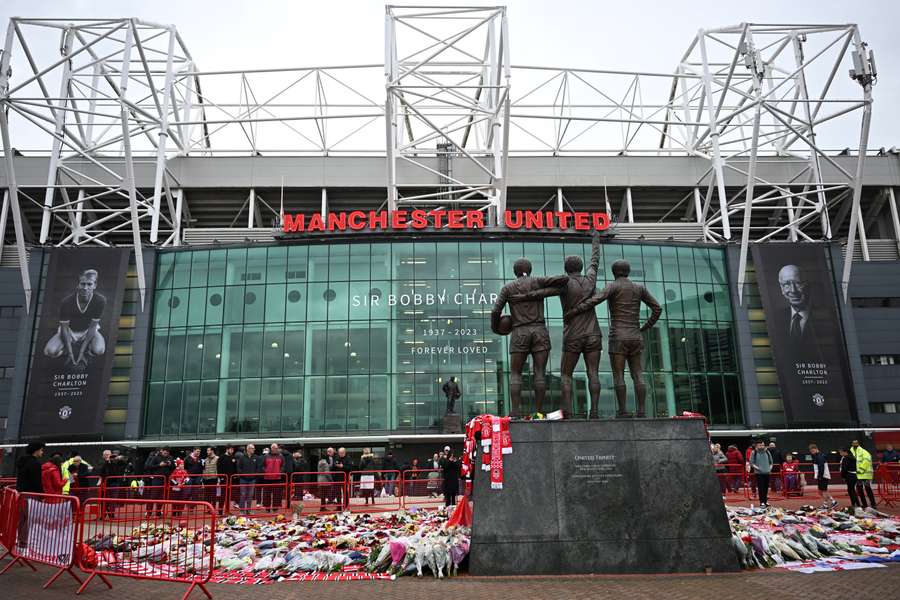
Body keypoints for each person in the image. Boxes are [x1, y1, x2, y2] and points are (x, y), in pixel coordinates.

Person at [512, 232, 603, 417]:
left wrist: (523, 296)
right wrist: (596, 239)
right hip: (594, 333)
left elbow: (542, 293)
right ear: (581, 267)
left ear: (566, 268)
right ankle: (594, 412)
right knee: (593, 372)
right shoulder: (590, 279)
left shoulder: (565, 284)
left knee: (566, 374)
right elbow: (595, 261)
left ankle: (567, 412)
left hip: (573, 334)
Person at [563, 259, 662, 417]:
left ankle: (622, 410)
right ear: (628, 271)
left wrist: (575, 310)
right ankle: (642, 410)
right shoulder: (639, 288)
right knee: (638, 374)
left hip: (618, 336)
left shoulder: (613, 286)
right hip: (635, 335)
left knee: (619, 375)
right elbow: (657, 308)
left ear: (614, 272)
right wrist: (646, 326)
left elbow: (595, 300)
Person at [491, 257, 569, 417]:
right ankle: (539, 411)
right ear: (530, 270)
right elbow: (563, 279)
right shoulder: (538, 281)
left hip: (519, 332)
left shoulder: (508, 288)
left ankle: (515, 411)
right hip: (539, 330)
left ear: (515, 272)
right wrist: (536, 293)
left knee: (515, 373)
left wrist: (496, 328)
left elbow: (495, 311)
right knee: (540, 372)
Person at [43, 269, 107, 366]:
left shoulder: (100, 300)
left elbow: (92, 327)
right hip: (70, 330)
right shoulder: (67, 302)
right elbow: (64, 329)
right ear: (78, 285)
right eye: (83, 284)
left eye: (89, 284)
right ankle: (65, 349)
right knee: (49, 351)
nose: (85, 288)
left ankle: (87, 348)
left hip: (87, 330)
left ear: (95, 285)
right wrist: (70, 353)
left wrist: (81, 353)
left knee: (99, 350)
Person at [143, 447, 172, 517]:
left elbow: (173, 467)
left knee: (162, 497)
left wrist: (170, 464)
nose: (166, 454)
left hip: (166, 480)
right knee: (153, 496)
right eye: (165, 452)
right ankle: (148, 512)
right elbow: (149, 466)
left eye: (167, 453)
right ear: (162, 451)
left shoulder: (170, 458)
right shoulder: (155, 458)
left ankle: (158, 512)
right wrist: (159, 465)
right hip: (156, 480)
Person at [851, 440, 876, 509]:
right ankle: (865, 505)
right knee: (860, 490)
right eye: (853, 443)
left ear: (858, 444)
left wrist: (861, 470)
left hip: (865, 474)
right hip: (858, 475)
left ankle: (873, 504)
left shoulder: (864, 452)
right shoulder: (851, 452)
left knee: (868, 489)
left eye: (856, 443)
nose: (854, 444)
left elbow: (866, 461)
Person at [809, 443, 836, 509]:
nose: (812, 453)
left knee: (824, 491)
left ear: (815, 449)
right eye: (811, 452)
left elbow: (821, 467)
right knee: (821, 491)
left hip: (823, 476)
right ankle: (830, 502)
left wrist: (820, 476)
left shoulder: (820, 456)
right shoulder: (817, 455)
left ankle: (830, 503)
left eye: (812, 451)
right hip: (821, 475)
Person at [749, 440, 773, 508]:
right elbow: (751, 463)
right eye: (760, 445)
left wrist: (769, 468)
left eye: (763, 445)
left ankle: (765, 501)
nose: (762, 446)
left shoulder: (767, 452)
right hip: (759, 473)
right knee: (761, 488)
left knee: (766, 488)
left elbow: (771, 462)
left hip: (767, 473)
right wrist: (758, 468)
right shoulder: (754, 452)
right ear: (757, 446)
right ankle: (762, 502)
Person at [261, 443, 285, 509]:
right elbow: (262, 465)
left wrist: (280, 472)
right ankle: (267, 507)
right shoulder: (266, 456)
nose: (275, 449)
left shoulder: (281, 456)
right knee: (266, 494)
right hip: (267, 478)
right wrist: (265, 471)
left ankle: (275, 507)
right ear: (271, 448)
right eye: (273, 448)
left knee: (277, 494)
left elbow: (283, 465)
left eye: (276, 448)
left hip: (277, 478)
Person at [236, 444, 259, 514]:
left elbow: (258, 467)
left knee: (250, 495)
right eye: (252, 448)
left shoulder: (256, 457)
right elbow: (238, 468)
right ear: (248, 449)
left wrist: (255, 476)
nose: (254, 450)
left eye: (254, 448)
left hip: (252, 480)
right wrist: (243, 475)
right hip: (243, 479)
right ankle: (242, 510)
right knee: (243, 495)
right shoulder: (242, 457)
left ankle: (248, 510)